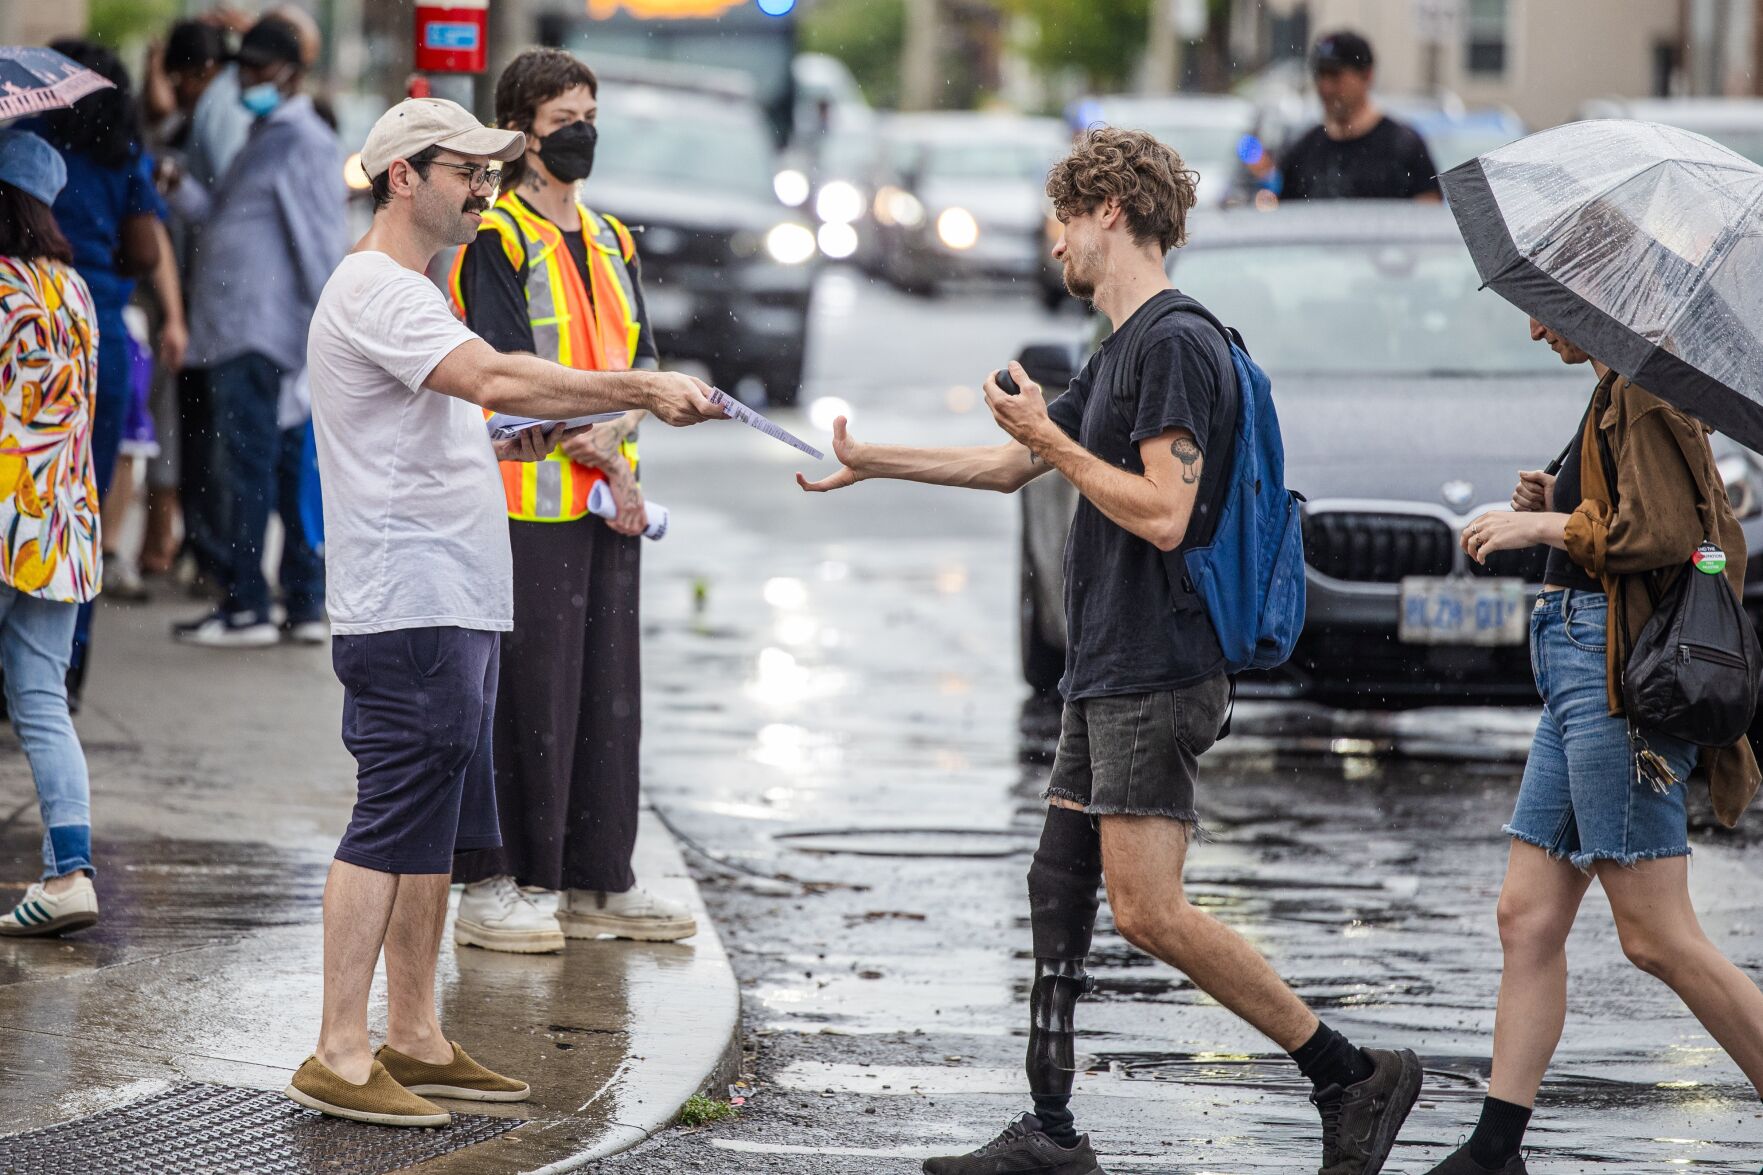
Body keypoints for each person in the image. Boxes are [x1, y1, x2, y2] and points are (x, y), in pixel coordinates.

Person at [800, 126, 1420, 1175]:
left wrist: (1048, 438)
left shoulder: (1173, 344)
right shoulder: (1118, 346)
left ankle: (1347, 1070)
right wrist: (872, 461)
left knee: (1148, 908)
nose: (1052, 245)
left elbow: (1164, 512)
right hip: (1104, 665)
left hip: (1156, 663)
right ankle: (1048, 1130)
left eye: (1060, 220)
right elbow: (1015, 468)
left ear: (1108, 214)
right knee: (1058, 880)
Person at [288, 96, 723, 1127]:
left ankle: (415, 1034)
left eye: (491, 173)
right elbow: (490, 373)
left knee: (436, 826)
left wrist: (496, 447)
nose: (484, 190)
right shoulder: (377, 288)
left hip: (451, 600)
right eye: (466, 173)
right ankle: (338, 1049)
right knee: (390, 815)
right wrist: (636, 384)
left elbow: (439, 420)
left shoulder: (414, 290)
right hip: (408, 604)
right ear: (404, 176)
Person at [1428, 319, 1763, 1174]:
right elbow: (1623, 519)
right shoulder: (1615, 386)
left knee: (1655, 933)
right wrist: (1555, 503)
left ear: (1594, 302)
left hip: (1613, 679)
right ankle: (1494, 1151)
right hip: (1578, 669)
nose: (1535, 326)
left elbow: (1656, 538)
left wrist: (1530, 529)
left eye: (1547, 308)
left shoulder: (1647, 391)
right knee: (1526, 916)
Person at [446, 48, 695, 953]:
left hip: (606, 500)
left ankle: (597, 879)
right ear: (521, 133)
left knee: (604, 697)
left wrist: (621, 455)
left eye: (590, 114)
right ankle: (507, 882)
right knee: (528, 699)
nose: (581, 132)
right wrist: (600, 421)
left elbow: (641, 366)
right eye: (563, 119)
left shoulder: (613, 238)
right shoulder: (497, 237)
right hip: (525, 503)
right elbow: (506, 374)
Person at [173, 15, 343, 648]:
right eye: (242, 66)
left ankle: (250, 605)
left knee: (249, 469)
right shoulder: (267, 133)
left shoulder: (305, 141)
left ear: (292, 73)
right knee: (274, 468)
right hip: (252, 330)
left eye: (257, 67)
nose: (246, 77)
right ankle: (298, 604)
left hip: (267, 334)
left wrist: (324, 336)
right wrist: (180, 189)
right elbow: (229, 218)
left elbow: (320, 244)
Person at [20, 39, 168, 702]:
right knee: (81, 502)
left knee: (12, 495)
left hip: (20, 329)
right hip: (94, 336)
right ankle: (65, 664)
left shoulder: (24, 139)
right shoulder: (123, 156)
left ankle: (10, 661)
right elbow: (143, 251)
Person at [0, 131, 104, 937]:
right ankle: (70, 874)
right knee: (41, 702)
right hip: (61, 525)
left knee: (38, 699)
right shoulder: (73, 290)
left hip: (3, 518)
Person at [143, 19, 252, 587]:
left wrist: (176, 184)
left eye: (179, 78)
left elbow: (226, 209)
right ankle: (212, 555)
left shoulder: (219, 111)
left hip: (221, 303)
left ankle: (217, 561)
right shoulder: (216, 107)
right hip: (219, 301)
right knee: (207, 435)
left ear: (199, 72)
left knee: (209, 438)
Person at [1276, 31, 1441, 202]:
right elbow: (1285, 218)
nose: (1325, 87)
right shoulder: (1302, 151)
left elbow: (1428, 215)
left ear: (1366, 75)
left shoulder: (1405, 148)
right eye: (1320, 75)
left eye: (1335, 76)